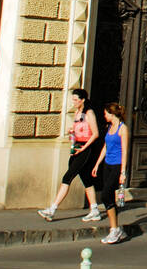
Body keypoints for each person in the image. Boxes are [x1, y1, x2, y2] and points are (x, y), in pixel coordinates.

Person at [38, 88, 102, 222]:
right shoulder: (78, 113)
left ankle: (52, 209)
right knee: (86, 179)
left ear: (82, 100)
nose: (73, 102)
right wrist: (71, 131)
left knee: (67, 177)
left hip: (85, 149)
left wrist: (84, 148)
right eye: (72, 99)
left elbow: (95, 133)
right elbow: (79, 129)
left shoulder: (89, 113)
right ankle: (95, 209)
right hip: (76, 147)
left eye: (75, 99)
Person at [92, 102, 129, 244]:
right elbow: (105, 147)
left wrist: (123, 172)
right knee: (107, 196)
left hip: (117, 165)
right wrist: (97, 163)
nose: (104, 116)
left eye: (106, 113)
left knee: (106, 194)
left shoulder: (122, 129)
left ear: (112, 114)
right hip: (107, 164)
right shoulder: (109, 127)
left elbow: (125, 151)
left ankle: (115, 229)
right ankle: (115, 229)